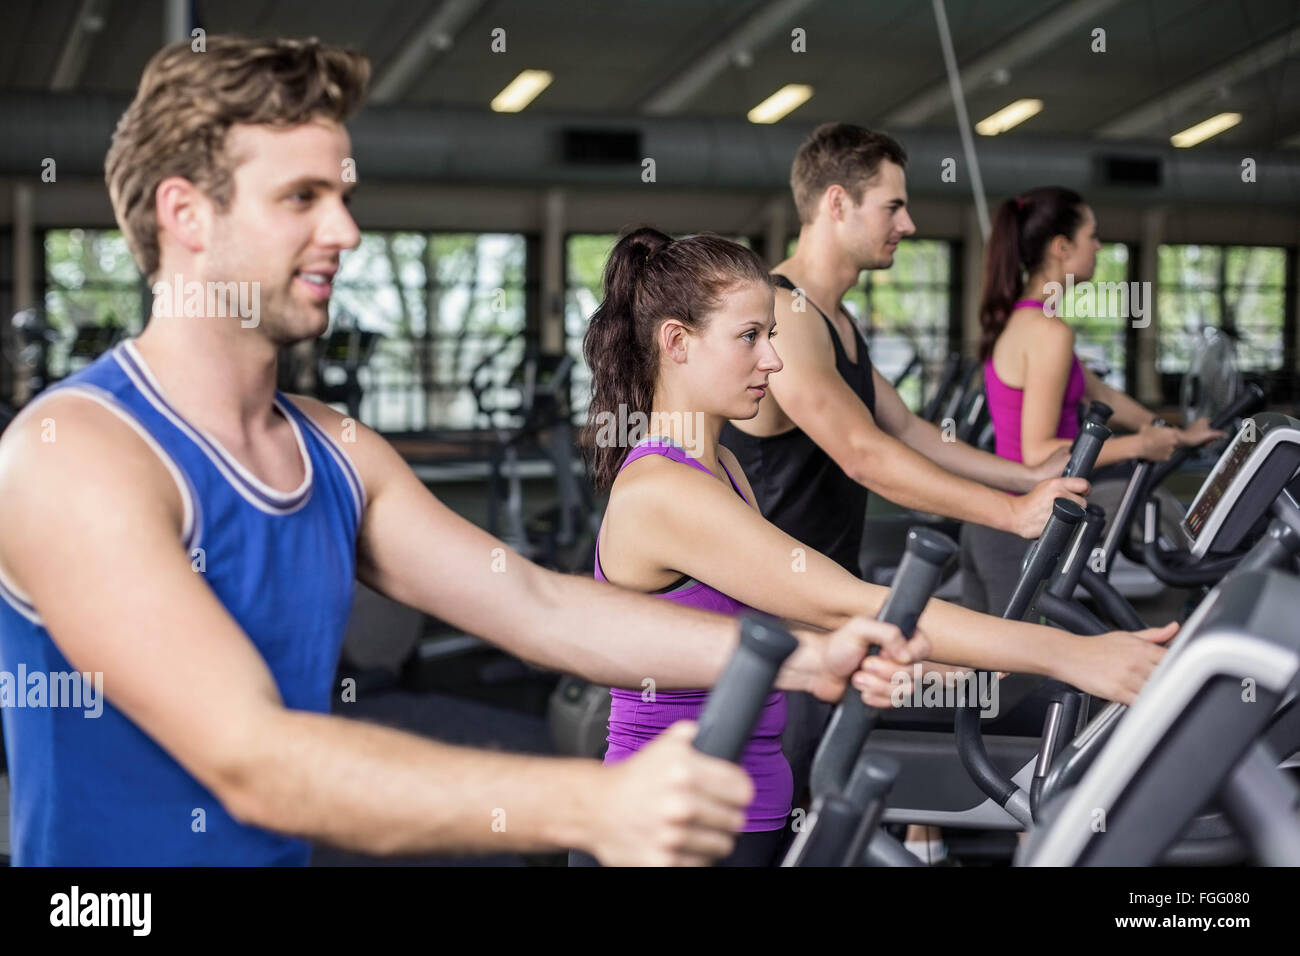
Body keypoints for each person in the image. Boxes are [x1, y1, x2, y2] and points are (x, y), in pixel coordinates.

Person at [0, 36, 896, 868]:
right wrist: (592, 801)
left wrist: (796, 657)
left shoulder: (334, 450)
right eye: (302, 198)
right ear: (185, 215)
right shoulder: (76, 455)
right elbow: (254, 758)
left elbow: (544, 608)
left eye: (343, 195)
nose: (346, 231)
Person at [576, 227, 1174, 865]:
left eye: (772, 336)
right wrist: (1072, 655)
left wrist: (946, 663)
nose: (772, 361)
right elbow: (847, 603)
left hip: (741, 814)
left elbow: (795, 617)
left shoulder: (722, 465)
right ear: (677, 343)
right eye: (750, 337)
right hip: (673, 831)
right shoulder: (664, 490)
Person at [716, 124, 1088, 844]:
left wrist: (1031, 473)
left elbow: (912, 433)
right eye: (893, 206)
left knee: (871, 784)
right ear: (836, 203)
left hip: (835, 610)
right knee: (795, 831)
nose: (909, 223)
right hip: (780, 625)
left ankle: (925, 835)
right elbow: (864, 454)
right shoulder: (783, 316)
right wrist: (1011, 513)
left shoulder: (837, 321)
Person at [961, 186, 1223, 615]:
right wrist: (1140, 446)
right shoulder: (1048, 333)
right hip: (1023, 521)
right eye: (1092, 236)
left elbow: (1104, 395)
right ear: (1062, 248)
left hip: (1000, 519)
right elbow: (1038, 453)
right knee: (1011, 678)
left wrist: (1172, 433)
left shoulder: (1032, 320)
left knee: (992, 676)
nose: (1099, 246)